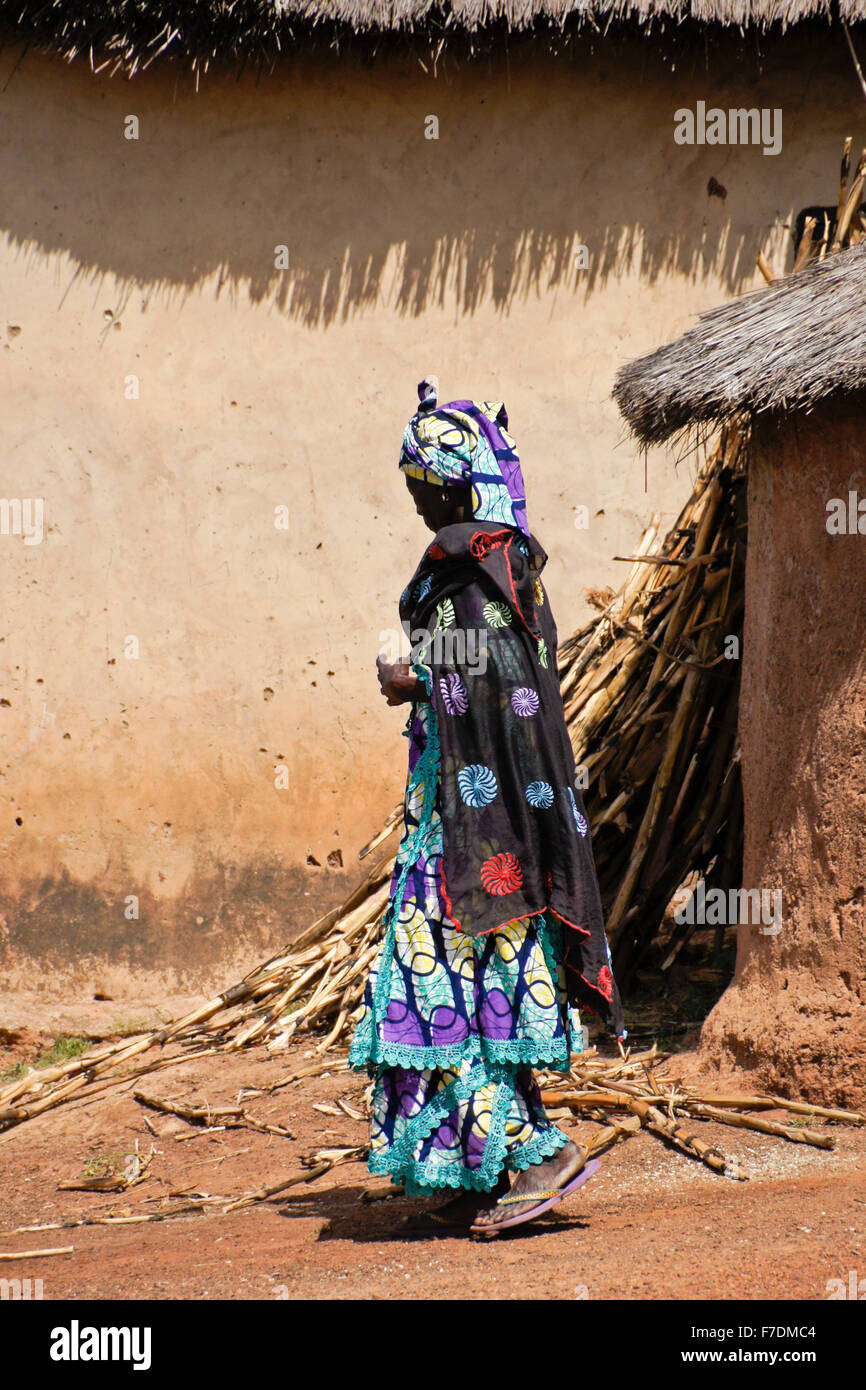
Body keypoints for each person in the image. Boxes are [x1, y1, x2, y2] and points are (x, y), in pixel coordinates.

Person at [348, 379, 625, 1236]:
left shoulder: (474, 570)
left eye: (423, 481)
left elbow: (491, 671)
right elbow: (491, 668)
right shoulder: (492, 565)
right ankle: (478, 1161)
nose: (415, 496)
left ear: (453, 486)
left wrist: (412, 677)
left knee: (447, 978)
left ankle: (536, 1151)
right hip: (461, 818)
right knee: (454, 981)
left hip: (477, 831)